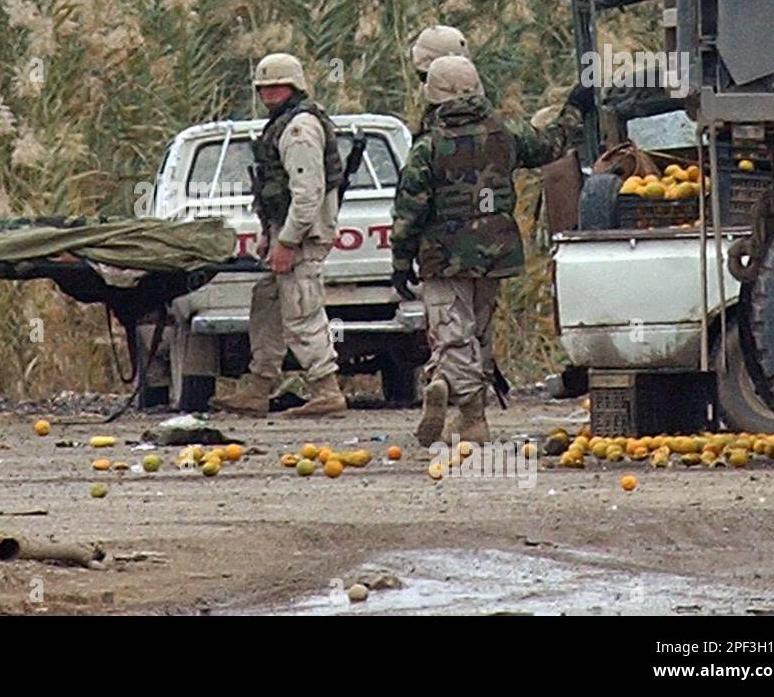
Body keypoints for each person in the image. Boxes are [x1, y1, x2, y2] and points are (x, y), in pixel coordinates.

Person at [391, 55, 590, 444]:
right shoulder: (506, 133)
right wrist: (576, 107)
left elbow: (409, 209)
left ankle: (466, 407)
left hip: (443, 254)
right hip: (496, 251)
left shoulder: (428, 147)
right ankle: (451, 390)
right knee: (478, 332)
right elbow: (552, 145)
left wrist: (400, 261)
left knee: (452, 332)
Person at [214, 53, 347, 418]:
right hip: (287, 233)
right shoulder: (285, 124)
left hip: (302, 237)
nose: (269, 93)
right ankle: (259, 386)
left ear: (294, 86)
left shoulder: (299, 129)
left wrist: (287, 242)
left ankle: (326, 389)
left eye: (277, 86)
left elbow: (307, 193)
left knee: (301, 309)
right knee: (268, 303)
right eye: (264, 87)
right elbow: (277, 191)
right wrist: (270, 235)